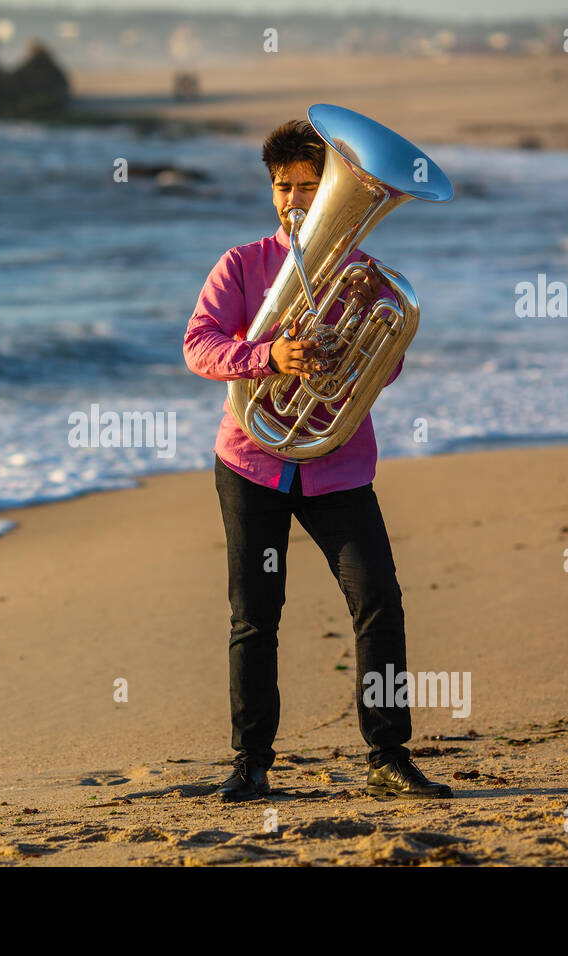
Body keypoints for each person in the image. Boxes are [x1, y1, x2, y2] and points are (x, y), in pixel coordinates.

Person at [182, 119, 451, 802]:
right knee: (254, 615)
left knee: (379, 600)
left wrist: (359, 330)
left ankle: (389, 755)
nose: (296, 198)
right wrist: (268, 356)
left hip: (336, 463)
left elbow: (381, 371)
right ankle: (252, 764)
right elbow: (198, 345)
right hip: (250, 461)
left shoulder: (365, 277)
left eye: (309, 184)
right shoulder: (242, 264)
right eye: (284, 186)